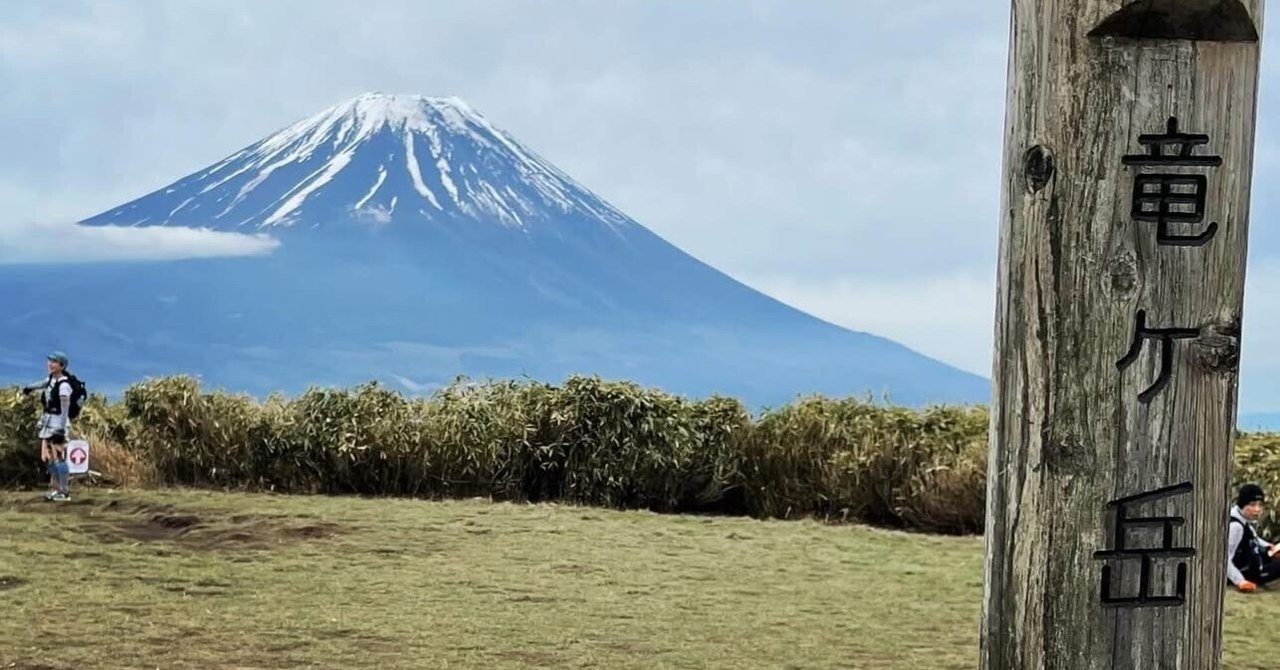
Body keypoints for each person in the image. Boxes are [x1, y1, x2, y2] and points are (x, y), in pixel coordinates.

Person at [20, 351, 74, 501]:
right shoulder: (51, 379)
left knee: (59, 457)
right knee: (49, 457)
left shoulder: (64, 385)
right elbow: (41, 383)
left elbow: (65, 409)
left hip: (58, 422)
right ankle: (56, 489)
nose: (50, 364)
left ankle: (64, 491)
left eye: (54, 362)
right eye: (50, 361)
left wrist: (61, 430)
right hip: (48, 421)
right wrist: (29, 388)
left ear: (62, 366)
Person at [1228, 483, 1280, 592]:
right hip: (1249, 573)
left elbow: (1253, 537)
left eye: (1260, 505)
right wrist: (1240, 581)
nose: (1257, 509)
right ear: (1242, 504)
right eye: (1252, 505)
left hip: (1254, 559)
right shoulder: (1236, 527)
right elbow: (1224, 559)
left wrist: (1270, 547)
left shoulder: (1242, 519)